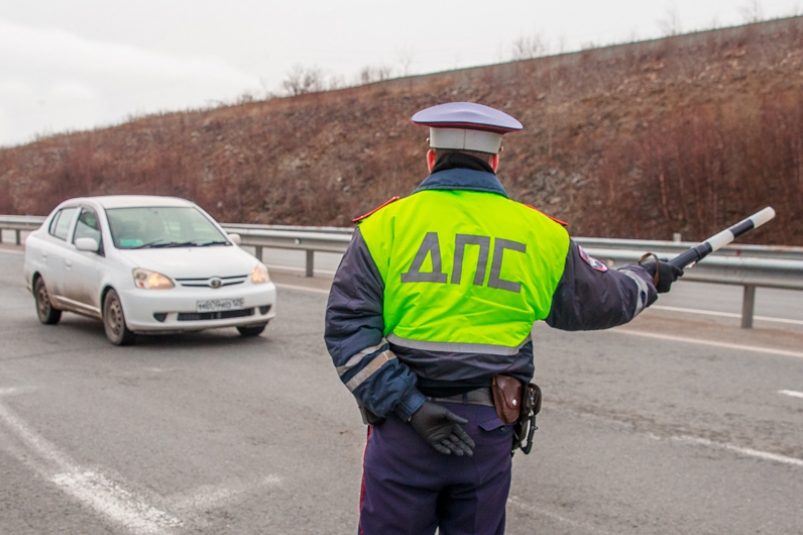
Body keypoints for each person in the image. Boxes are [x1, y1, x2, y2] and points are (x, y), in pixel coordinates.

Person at [324, 102, 682, 535]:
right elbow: (606, 300)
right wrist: (649, 277)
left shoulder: (387, 226)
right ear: (495, 160)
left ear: (431, 157)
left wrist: (411, 407)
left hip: (404, 431)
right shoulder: (539, 234)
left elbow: (348, 330)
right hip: (489, 430)